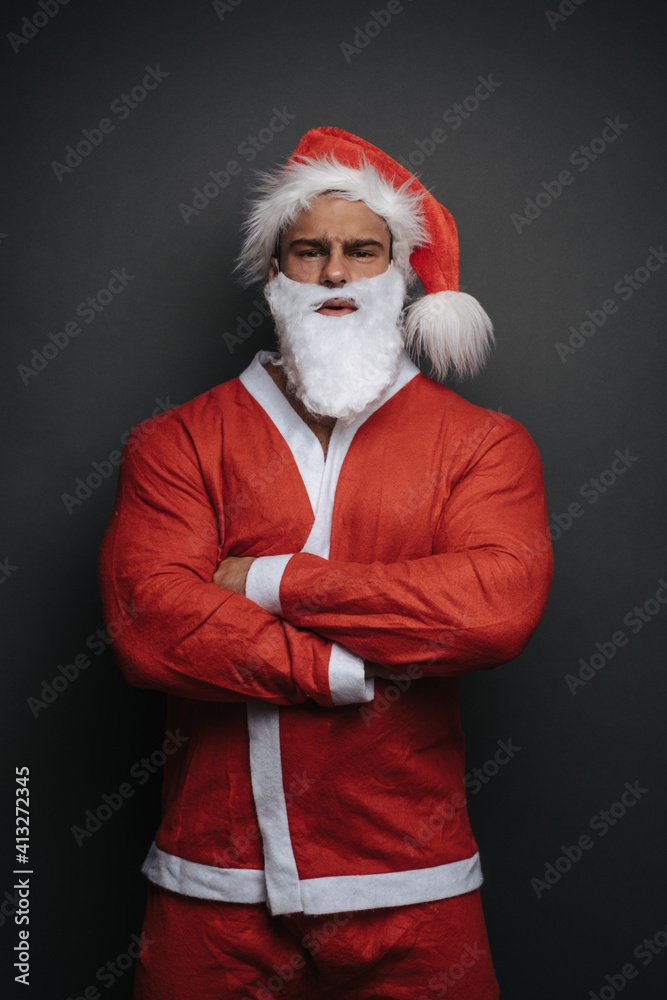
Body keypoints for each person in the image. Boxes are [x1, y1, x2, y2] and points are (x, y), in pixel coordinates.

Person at [99, 126, 553, 999]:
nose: (336, 274)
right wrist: (336, 669)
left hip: (415, 889)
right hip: (211, 886)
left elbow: (493, 607)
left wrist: (265, 579)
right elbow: (150, 625)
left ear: (400, 273)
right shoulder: (178, 440)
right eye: (309, 251)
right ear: (275, 275)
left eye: (361, 251)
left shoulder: (480, 445)